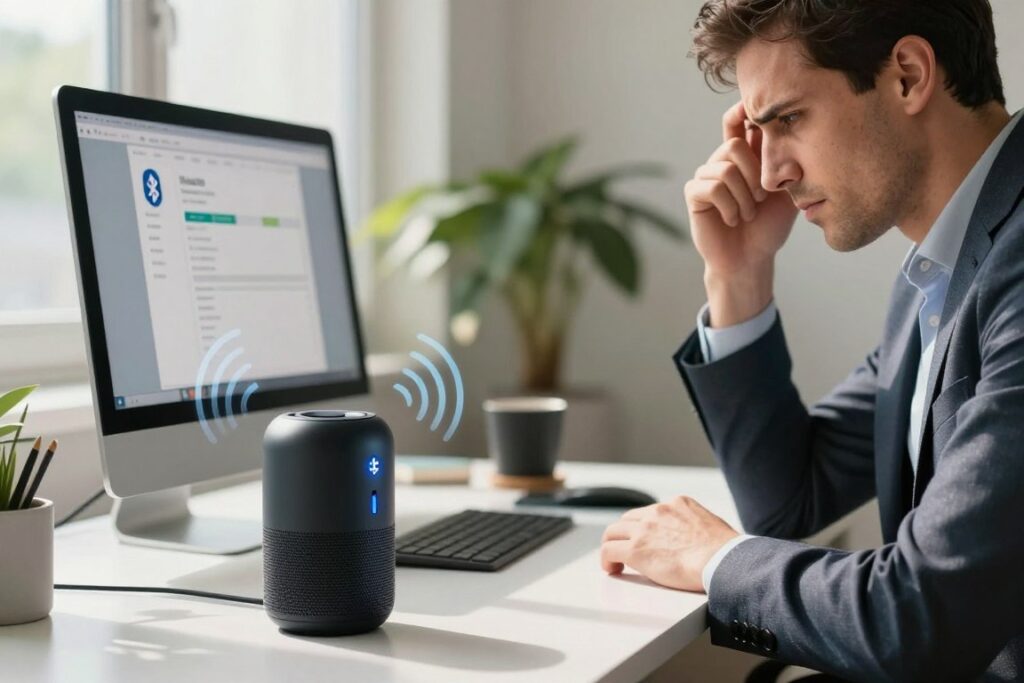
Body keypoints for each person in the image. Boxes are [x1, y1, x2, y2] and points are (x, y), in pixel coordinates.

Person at [598, 1, 1024, 681]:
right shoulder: (940, 275)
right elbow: (789, 501)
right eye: (756, 130)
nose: (769, 173)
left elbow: (922, 613)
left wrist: (714, 557)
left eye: (788, 119)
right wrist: (737, 275)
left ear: (909, 76)